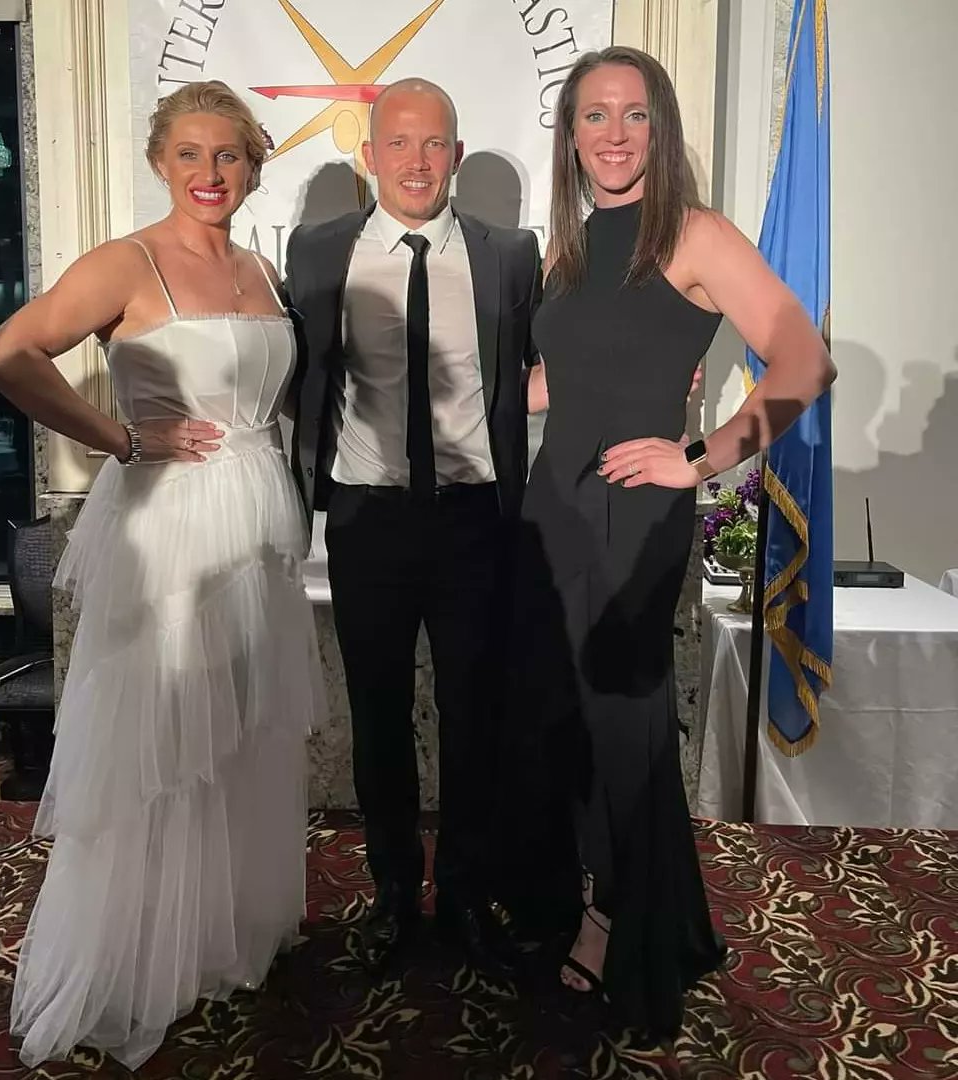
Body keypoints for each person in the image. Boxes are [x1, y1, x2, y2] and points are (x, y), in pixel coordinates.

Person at [0, 81, 324, 1068]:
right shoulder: (124, 262)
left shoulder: (260, 268)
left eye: (229, 155)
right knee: (162, 744)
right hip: (171, 534)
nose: (210, 174)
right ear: (160, 162)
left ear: (253, 165)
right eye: (190, 155)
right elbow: (7, 353)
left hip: (259, 529)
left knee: (240, 734)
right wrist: (122, 437)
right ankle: (138, 958)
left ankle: (220, 934)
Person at [506, 46, 836, 1040]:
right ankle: (635, 909)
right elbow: (557, 386)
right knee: (565, 725)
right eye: (595, 115)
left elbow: (803, 357)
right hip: (553, 509)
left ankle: (622, 924)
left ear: (661, 129)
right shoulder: (567, 249)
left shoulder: (694, 234)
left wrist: (702, 456)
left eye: (635, 114)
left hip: (635, 515)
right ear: (570, 136)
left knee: (626, 731)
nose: (614, 134)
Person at [285, 78, 541, 973]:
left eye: (434, 143)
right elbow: (292, 367)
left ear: (457, 155)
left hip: (478, 518)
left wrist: (644, 382)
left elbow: (544, 364)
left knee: (475, 715)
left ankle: (465, 893)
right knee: (379, 716)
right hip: (369, 518)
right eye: (398, 142)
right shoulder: (317, 250)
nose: (417, 162)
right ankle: (394, 891)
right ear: (369, 155)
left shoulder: (513, 255)